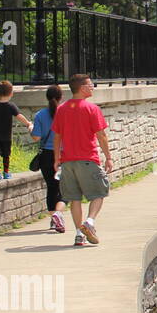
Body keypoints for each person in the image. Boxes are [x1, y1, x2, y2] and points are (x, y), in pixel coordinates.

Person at [52, 74, 113, 248]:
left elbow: (57, 136)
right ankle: (90, 222)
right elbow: (101, 135)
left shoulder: (62, 109)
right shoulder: (92, 109)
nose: (92, 87)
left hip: (68, 161)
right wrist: (108, 157)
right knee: (100, 193)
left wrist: (57, 159)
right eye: (90, 84)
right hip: (88, 159)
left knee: (74, 198)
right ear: (82, 88)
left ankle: (79, 234)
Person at [30, 85, 67, 232]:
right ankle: (58, 212)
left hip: (46, 154)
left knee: (51, 187)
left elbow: (36, 137)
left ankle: (54, 219)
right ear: (61, 97)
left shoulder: (40, 115)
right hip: (64, 154)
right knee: (67, 188)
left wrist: (30, 129)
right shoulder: (65, 113)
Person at [0, 80, 32, 180]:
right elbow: (19, 116)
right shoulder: (11, 106)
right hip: (6, 136)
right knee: (6, 154)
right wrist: (28, 123)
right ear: (11, 93)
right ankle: (6, 172)